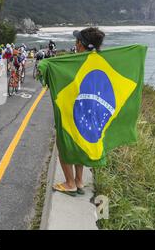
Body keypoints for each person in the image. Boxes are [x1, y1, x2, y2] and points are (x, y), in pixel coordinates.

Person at [52, 27, 106, 196]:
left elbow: (63, 77)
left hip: (75, 108)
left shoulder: (77, 61)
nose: (75, 44)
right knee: (79, 142)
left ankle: (70, 183)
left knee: (64, 144)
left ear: (82, 45)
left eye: (77, 41)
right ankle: (79, 181)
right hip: (91, 110)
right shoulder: (99, 60)